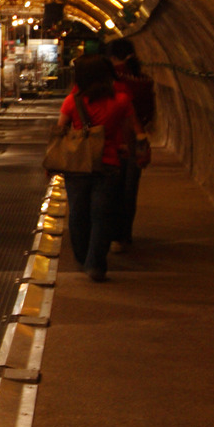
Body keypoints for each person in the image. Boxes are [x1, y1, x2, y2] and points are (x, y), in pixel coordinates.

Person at [57, 54, 134, 281]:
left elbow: (60, 129)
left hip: (77, 166)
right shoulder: (121, 100)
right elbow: (127, 131)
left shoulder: (72, 101)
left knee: (78, 213)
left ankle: (82, 257)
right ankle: (96, 264)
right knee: (102, 215)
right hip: (107, 165)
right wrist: (123, 147)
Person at [107, 39, 155, 252]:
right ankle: (124, 234)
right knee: (129, 189)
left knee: (111, 189)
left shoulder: (114, 80)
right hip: (135, 140)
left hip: (113, 140)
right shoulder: (144, 79)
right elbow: (149, 113)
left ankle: (111, 233)